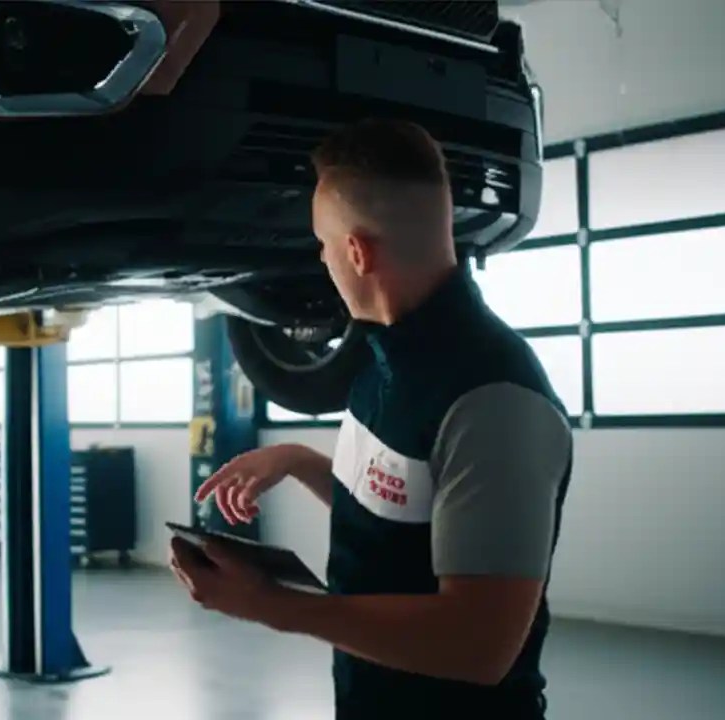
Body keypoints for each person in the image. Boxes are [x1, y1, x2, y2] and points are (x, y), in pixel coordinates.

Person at [169, 119, 574, 719]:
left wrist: (268, 603)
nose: (322, 258)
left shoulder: (495, 402)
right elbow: (405, 527)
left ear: (357, 251)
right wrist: (300, 462)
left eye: (323, 243)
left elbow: (479, 644)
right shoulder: (384, 362)